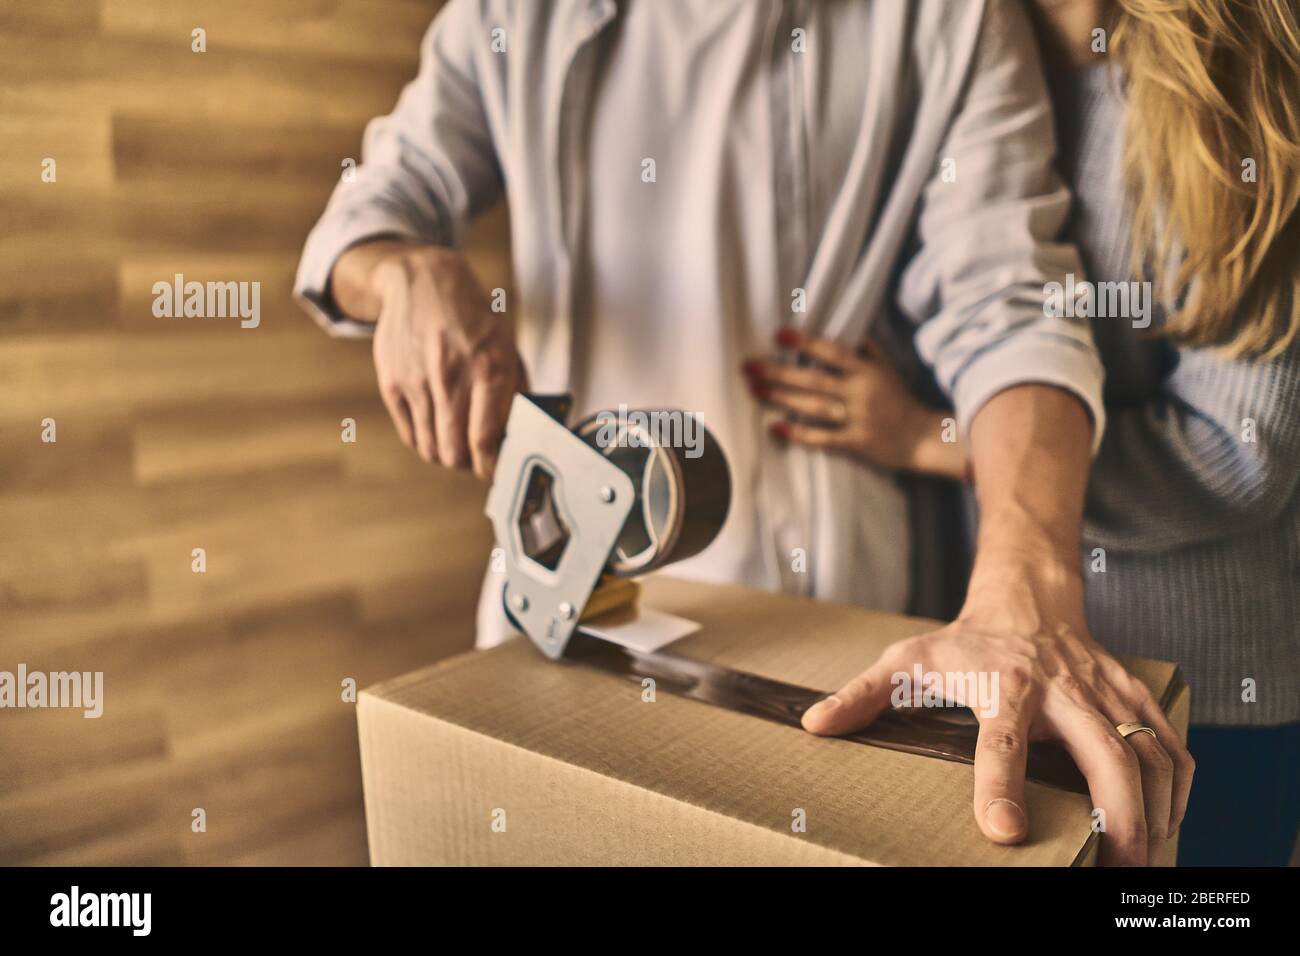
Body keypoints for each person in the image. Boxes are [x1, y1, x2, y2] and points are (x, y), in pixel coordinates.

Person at [294, 0, 1190, 865]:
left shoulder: (947, 16)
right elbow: (368, 214)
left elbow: (1013, 308)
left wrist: (1025, 593)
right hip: (565, 577)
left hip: (831, 604)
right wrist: (403, 273)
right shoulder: (509, 13)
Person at [747, 0, 1299, 865]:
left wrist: (920, 436)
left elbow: (1242, 453)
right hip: (999, 678)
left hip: (1202, 686)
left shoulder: (1247, 98)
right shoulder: (945, 68)